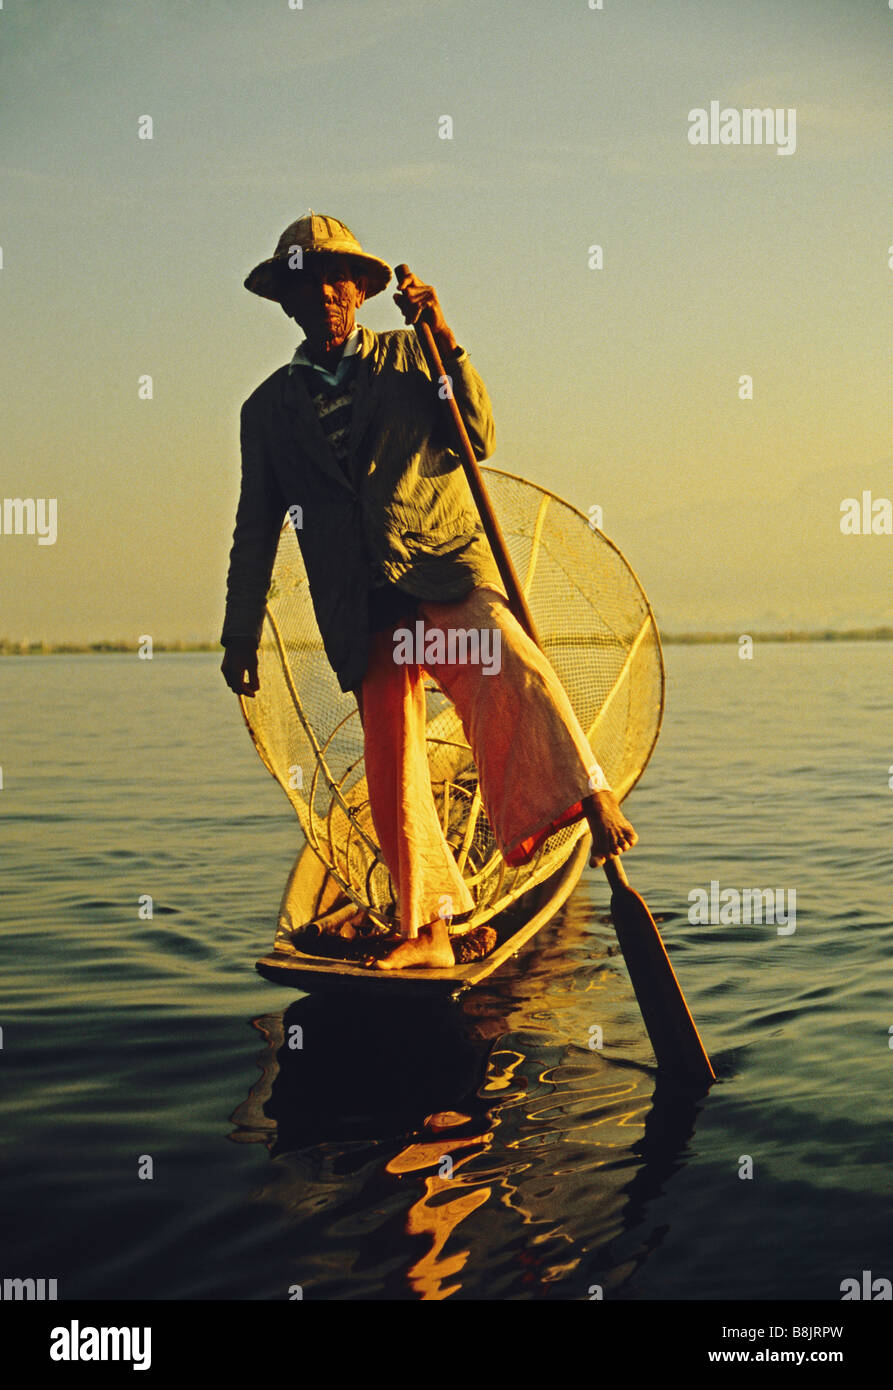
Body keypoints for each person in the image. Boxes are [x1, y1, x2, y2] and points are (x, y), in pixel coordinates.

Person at [221, 213, 637, 969]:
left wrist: (443, 333)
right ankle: (429, 930)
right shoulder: (268, 410)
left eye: (337, 283)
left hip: (441, 569)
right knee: (393, 759)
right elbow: (255, 530)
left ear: (360, 291)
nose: (325, 298)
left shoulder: (413, 357)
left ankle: (586, 797)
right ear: (286, 301)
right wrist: (238, 635)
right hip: (359, 600)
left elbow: (476, 435)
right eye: (306, 286)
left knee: (510, 663)